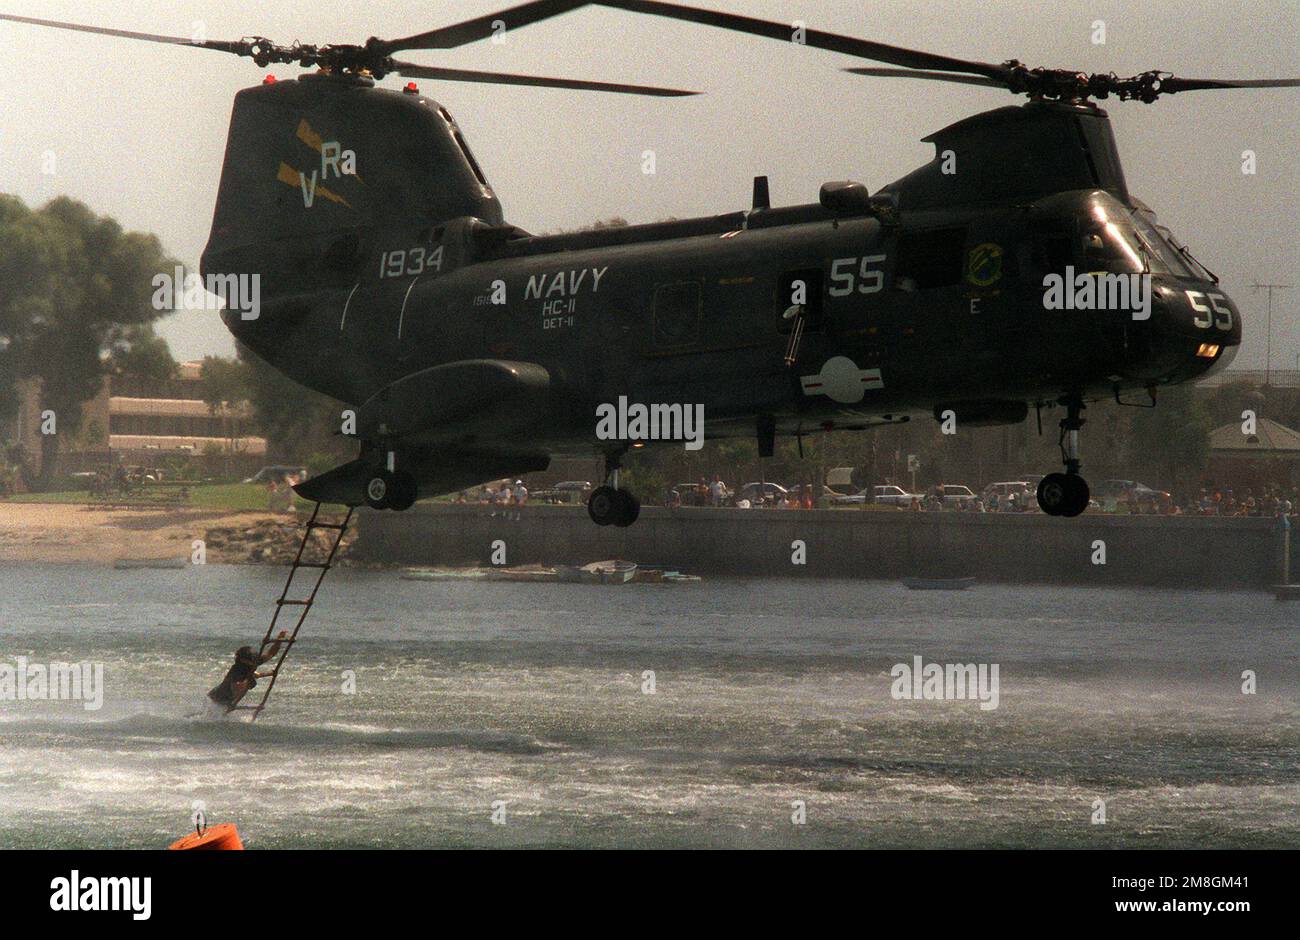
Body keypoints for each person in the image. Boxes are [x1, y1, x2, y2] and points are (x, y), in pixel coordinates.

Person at [207, 632, 288, 712]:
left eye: (255, 659)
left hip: (227, 700)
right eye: (252, 660)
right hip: (216, 698)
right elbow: (237, 688)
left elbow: (271, 653)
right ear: (243, 660)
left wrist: (279, 640)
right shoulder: (237, 670)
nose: (254, 662)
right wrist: (248, 679)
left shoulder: (253, 661)